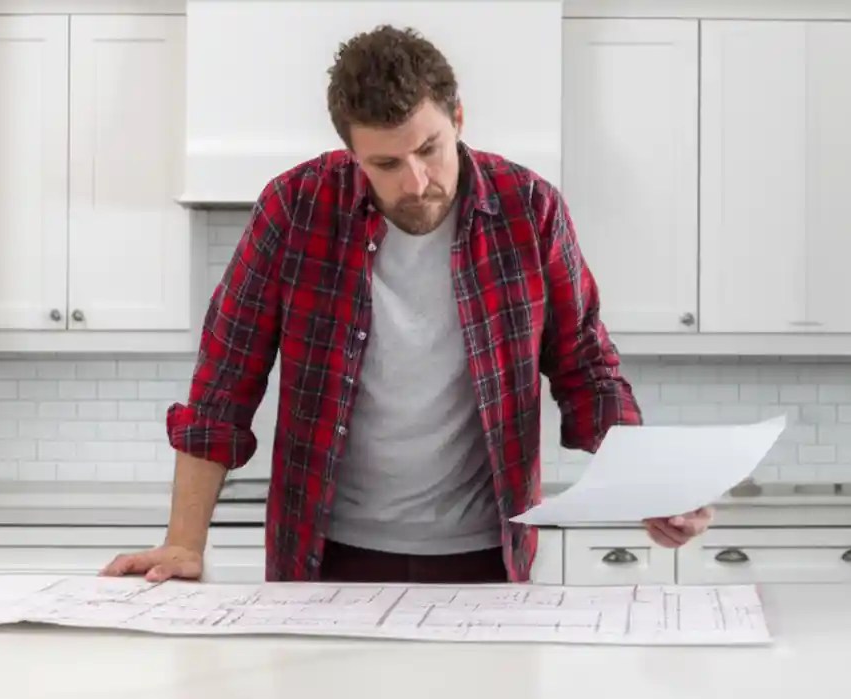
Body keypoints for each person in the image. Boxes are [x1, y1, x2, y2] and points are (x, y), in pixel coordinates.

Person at [101, 25, 713, 584]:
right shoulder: (295, 209)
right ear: (351, 154)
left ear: (458, 118)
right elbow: (223, 383)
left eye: (429, 149)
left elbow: (584, 365)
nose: (415, 182)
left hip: (487, 554)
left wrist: (647, 484)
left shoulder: (531, 209)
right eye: (386, 164)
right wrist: (183, 543)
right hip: (325, 553)